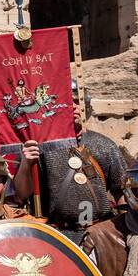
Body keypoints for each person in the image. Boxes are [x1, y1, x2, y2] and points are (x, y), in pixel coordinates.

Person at [12, 100, 127, 245]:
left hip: (100, 234)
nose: (74, 106)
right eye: (68, 100)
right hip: (57, 236)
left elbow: (122, 192)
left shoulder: (104, 145)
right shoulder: (38, 146)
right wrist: (25, 164)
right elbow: (21, 194)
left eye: (78, 101)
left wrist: (126, 233)